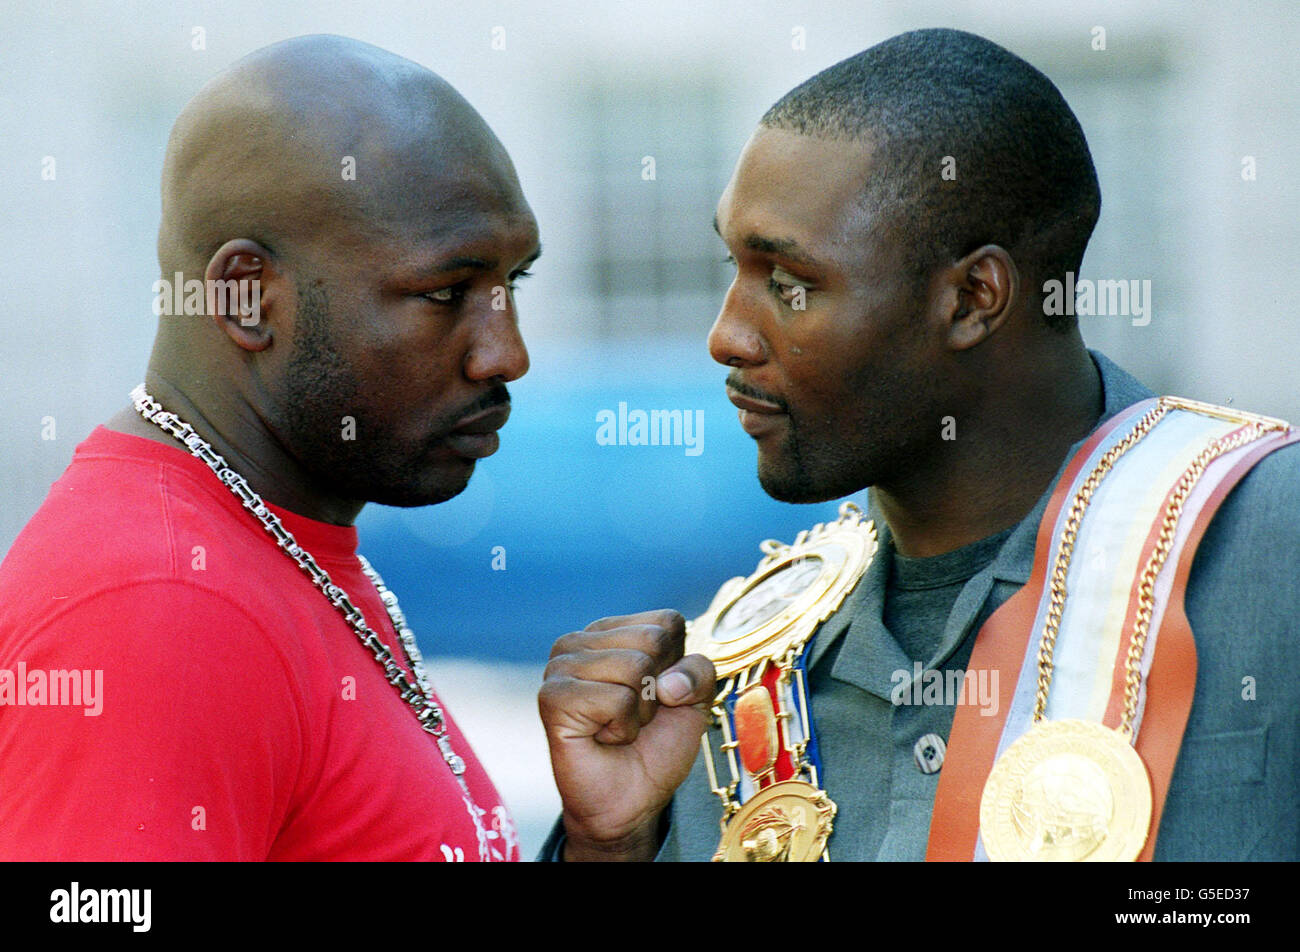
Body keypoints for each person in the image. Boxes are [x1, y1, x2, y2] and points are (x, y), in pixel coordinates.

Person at [538, 28, 1300, 861]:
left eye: (788, 286)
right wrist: (607, 848)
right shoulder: (732, 672)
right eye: (733, 266)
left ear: (975, 298)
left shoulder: (1272, 543)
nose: (726, 336)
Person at [0, 34, 541, 860]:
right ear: (247, 296)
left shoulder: (268, 541)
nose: (506, 354)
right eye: (445, 293)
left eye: (514, 285)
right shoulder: (161, 603)